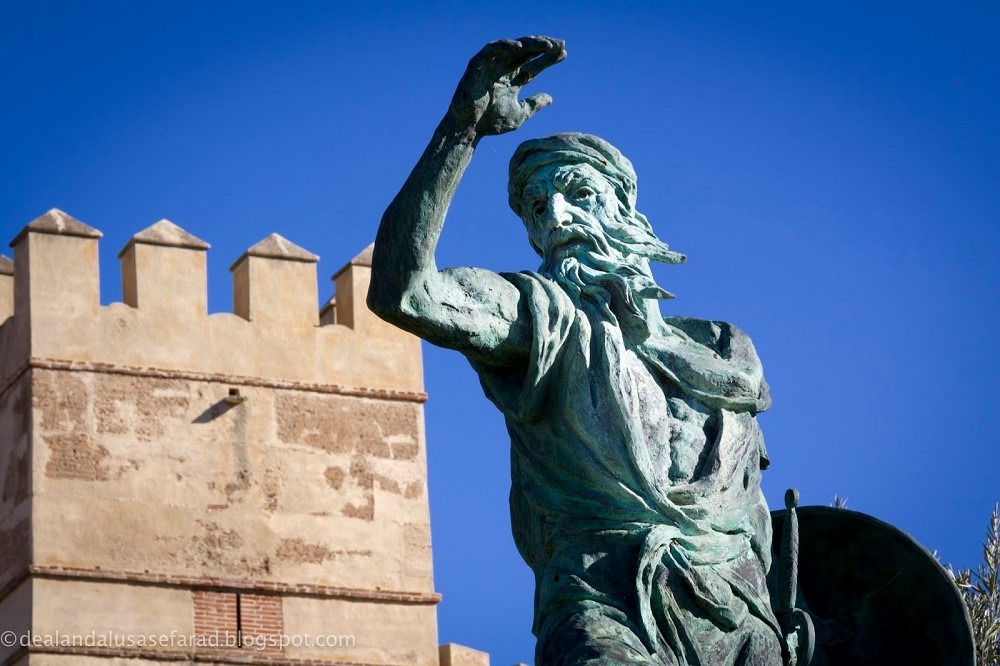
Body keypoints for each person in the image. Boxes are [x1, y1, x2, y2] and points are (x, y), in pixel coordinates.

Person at [369, 36, 785, 665]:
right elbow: (406, 291)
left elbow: (754, 517)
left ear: (627, 212)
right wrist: (462, 132)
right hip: (599, 602)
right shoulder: (541, 315)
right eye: (538, 208)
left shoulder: (724, 347)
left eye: (578, 195)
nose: (557, 217)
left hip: (742, 619)